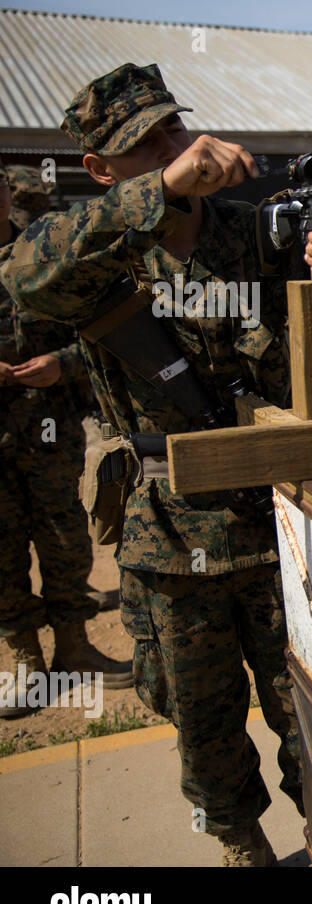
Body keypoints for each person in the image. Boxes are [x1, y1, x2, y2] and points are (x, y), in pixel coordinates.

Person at [0, 63, 312, 865]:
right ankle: (241, 843)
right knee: (201, 719)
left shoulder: (252, 234)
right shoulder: (96, 252)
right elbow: (25, 278)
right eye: (147, 143)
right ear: (101, 170)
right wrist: (161, 187)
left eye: (176, 128)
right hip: (171, 531)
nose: (178, 147)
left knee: (311, 704)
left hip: (278, 518)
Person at [0, 160, 133, 720]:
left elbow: (104, 334)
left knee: (64, 539)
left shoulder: (47, 252)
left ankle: (75, 649)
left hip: (50, 431)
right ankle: (24, 659)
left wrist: (63, 364)